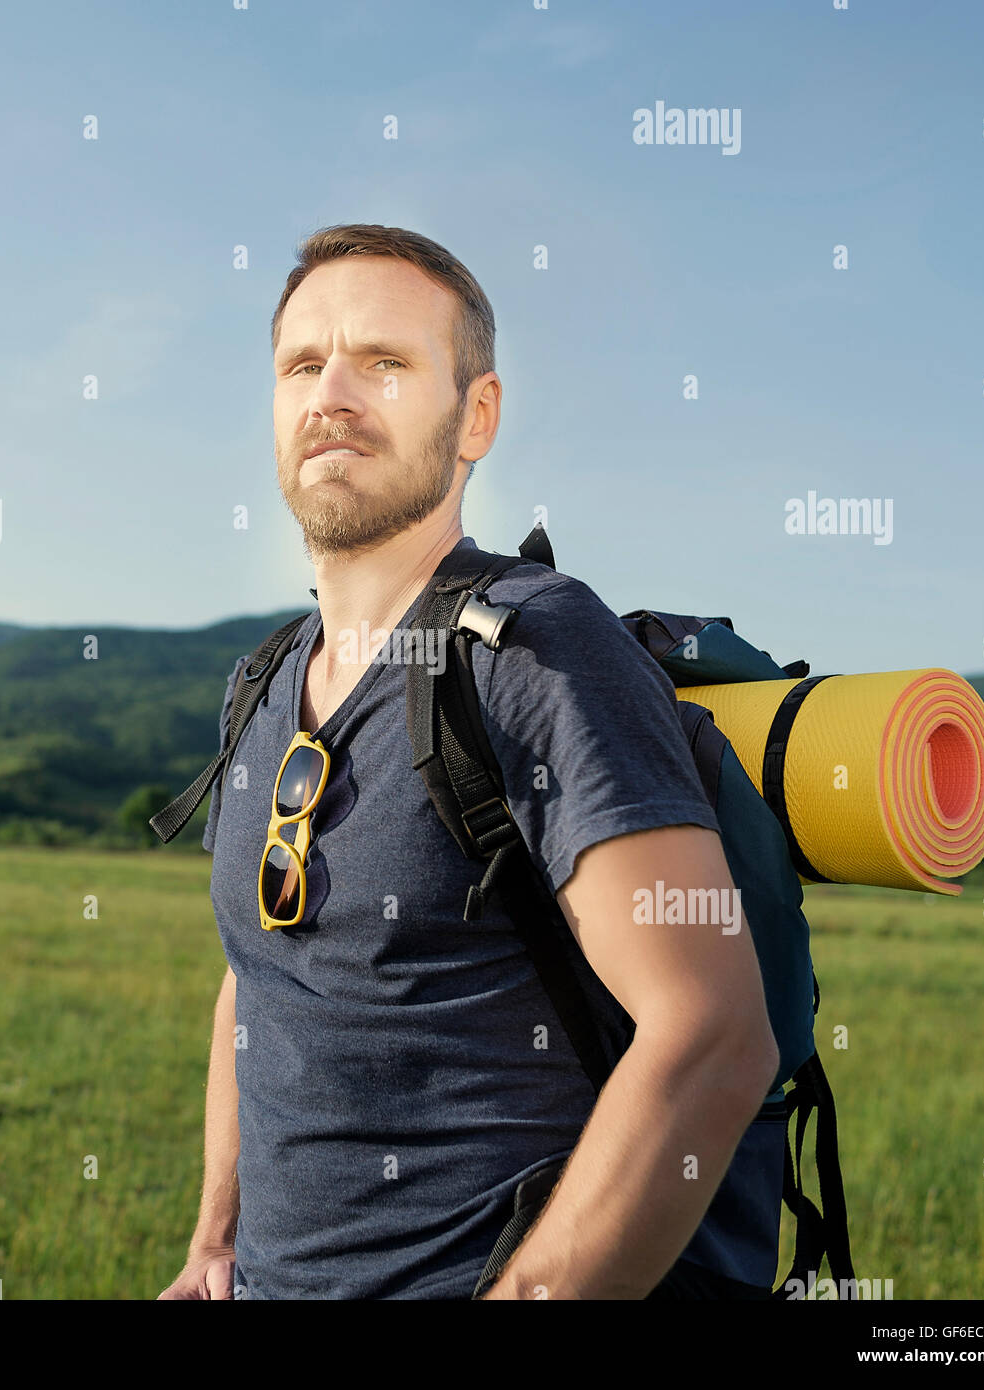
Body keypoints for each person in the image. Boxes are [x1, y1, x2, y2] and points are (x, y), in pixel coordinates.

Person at [157, 224, 779, 1300]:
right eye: (303, 365)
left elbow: (714, 1033)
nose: (331, 395)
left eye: (384, 363)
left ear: (474, 416)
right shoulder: (259, 683)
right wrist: (215, 1242)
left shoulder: (536, 649)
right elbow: (254, 978)